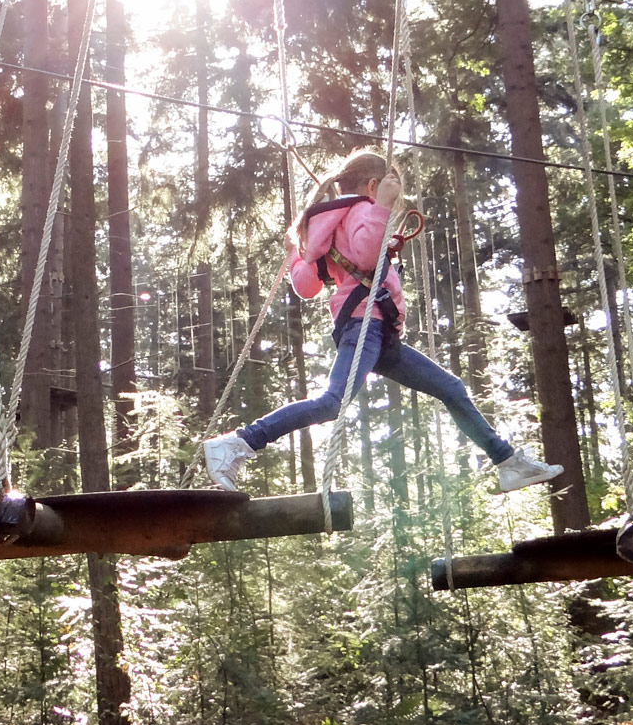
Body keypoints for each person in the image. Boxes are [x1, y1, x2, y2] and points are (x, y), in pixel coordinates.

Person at [203, 148, 565, 495]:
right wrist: (382, 207)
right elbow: (365, 254)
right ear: (373, 184)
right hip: (365, 326)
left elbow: (306, 286)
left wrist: (296, 258)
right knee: (332, 402)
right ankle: (239, 443)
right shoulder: (362, 209)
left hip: (377, 333)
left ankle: (507, 461)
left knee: (450, 388)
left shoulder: (331, 223)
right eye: (388, 189)